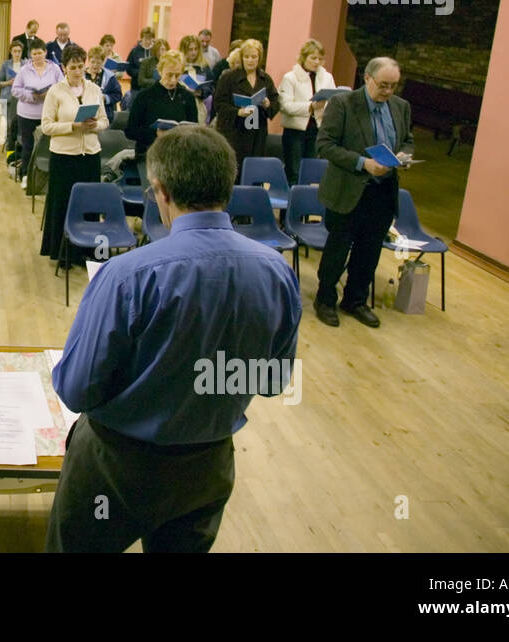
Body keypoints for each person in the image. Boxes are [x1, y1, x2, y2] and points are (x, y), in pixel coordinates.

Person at [47, 125, 300, 552]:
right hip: (207, 466)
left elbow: (76, 389)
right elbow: (274, 381)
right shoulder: (277, 272)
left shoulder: (128, 274)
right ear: (230, 186)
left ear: (161, 192)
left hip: (116, 466)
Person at [314, 57, 414, 330]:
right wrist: (363, 163)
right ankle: (325, 300)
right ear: (367, 78)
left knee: (369, 251)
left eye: (394, 86)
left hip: (382, 193)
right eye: (383, 85)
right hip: (348, 189)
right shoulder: (344, 105)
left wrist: (405, 153)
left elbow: (407, 139)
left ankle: (355, 300)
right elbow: (325, 145)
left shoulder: (400, 107)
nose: (388, 92)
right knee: (337, 249)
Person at [40, 43, 108, 265]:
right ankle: (64, 253)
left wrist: (94, 125)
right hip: (64, 157)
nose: (78, 71)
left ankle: (87, 251)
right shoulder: (55, 91)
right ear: (63, 67)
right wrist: (73, 126)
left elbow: (105, 121)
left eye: (81, 66)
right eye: (73, 67)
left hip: (90, 155)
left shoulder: (95, 90)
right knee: (64, 203)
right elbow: (47, 127)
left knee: (89, 205)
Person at [213, 38, 279, 177]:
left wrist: (267, 104)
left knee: (254, 172)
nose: (250, 60)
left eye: (254, 57)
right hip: (235, 130)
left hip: (257, 132)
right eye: (246, 57)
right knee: (234, 170)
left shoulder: (265, 79)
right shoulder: (229, 77)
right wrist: (238, 112)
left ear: (259, 58)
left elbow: (275, 103)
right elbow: (219, 103)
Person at [278, 39, 338, 185]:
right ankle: (289, 207)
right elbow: (285, 106)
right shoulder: (290, 77)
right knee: (294, 172)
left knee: (309, 173)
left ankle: (303, 205)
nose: (317, 62)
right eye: (313, 58)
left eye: (320, 58)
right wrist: (310, 107)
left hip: (316, 130)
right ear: (304, 58)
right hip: (295, 131)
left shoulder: (327, 77)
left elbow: (333, 101)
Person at [127, 50, 199, 162]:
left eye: (177, 75)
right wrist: (155, 133)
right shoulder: (145, 96)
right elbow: (130, 130)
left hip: (179, 153)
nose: (173, 80)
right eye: (169, 75)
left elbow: (194, 127)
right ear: (160, 71)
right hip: (149, 153)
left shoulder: (187, 97)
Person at [11, 43, 63, 188]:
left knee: (48, 147)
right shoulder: (24, 70)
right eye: (34, 54)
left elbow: (62, 87)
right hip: (27, 114)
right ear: (30, 55)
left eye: (39, 53)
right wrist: (32, 96)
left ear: (45, 52)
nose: (37, 56)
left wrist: (49, 94)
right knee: (28, 147)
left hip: (48, 114)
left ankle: (48, 178)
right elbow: (15, 90)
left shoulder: (55, 69)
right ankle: (26, 175)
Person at [0, 41, 24, 154]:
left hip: (21, 96)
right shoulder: (6, 64)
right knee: (10, 121)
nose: (17, 54)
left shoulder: (26, 64)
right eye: (15, 51)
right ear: (11, 52)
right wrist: (9, 82)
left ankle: (20, 142)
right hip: (8, 96)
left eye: (19, 51)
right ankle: (10, 142)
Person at [178, 34, 212, 121]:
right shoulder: (178, 65)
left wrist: (198, 92)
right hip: (180, 102)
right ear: (184, 50)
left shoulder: (204, 66)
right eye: (190, 49)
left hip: (198, 104)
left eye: (196, 49)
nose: (193, 52)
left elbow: (210, 87)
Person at [84, 46, 122, 120]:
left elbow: (118, 95)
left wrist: (105, 98)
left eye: (98, 63)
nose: (95, 65)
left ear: (103, 62)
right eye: (92, 62)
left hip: (105, 114)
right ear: (88, 61)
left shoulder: (110, 76)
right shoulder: (81, 75)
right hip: (85, 114)